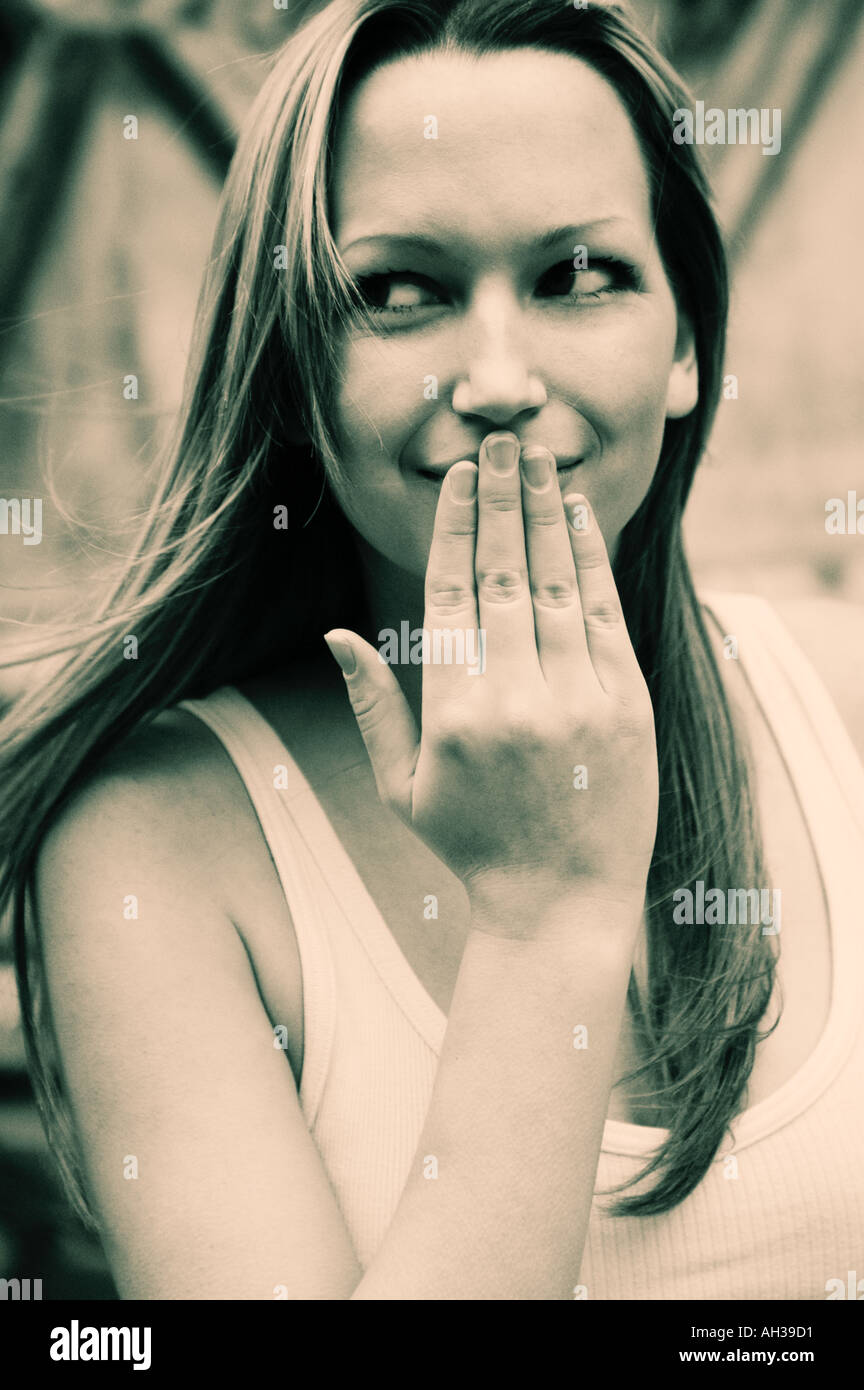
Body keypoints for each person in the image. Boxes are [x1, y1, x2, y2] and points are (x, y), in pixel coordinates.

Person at [2, 0, 863, 1301]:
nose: (502, 376)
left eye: (580, 274)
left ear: (686, 343)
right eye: (403, 292)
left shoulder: (844, 701)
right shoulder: (151, 845)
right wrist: (542, 909)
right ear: (293, 373)